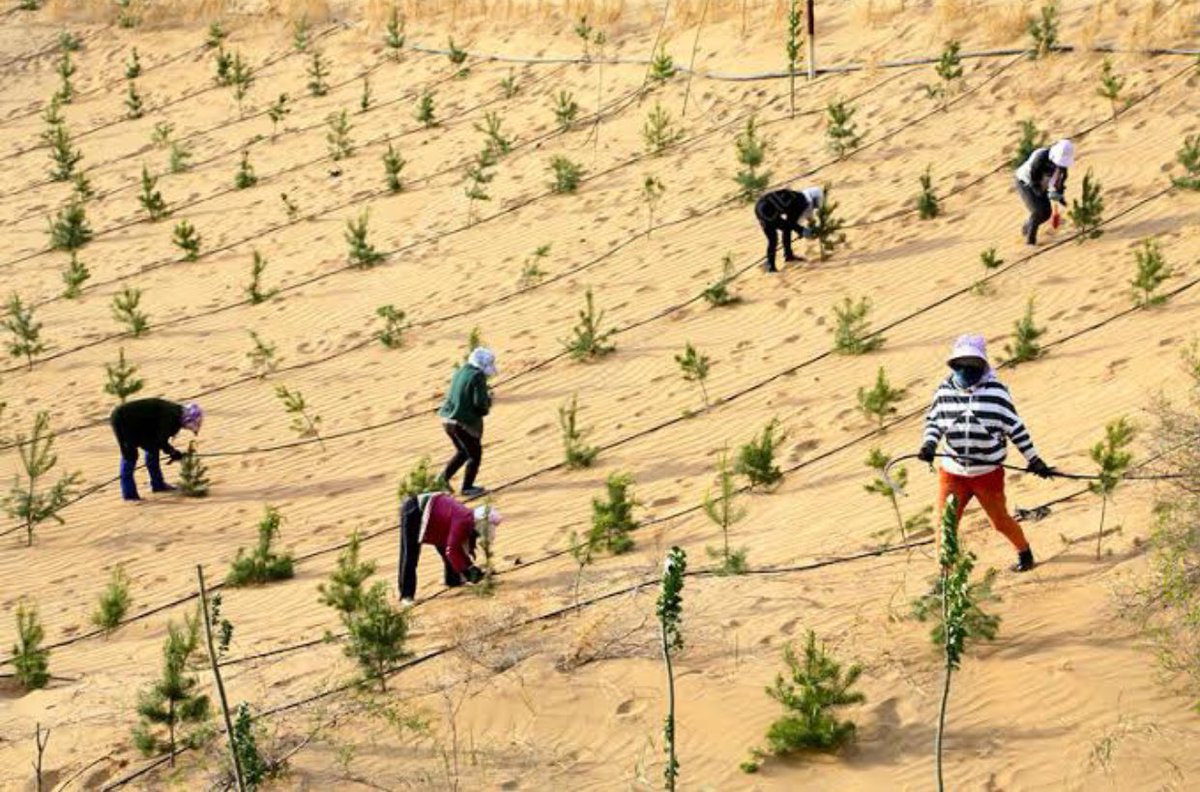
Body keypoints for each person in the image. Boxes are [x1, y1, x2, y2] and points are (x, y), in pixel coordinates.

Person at [917, 335, 1055, 572]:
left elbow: (1016, 428)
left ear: (982, 365)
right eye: (960, 364)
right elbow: (934, 422)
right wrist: (929, 445)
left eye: (972, 364)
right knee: (944, 525)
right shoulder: (943, 391)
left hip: (987, 473)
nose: (965, 369)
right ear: (953, 365)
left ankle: (1024, 553)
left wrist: (1034, 460)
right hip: (952, 472)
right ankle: (945, 577)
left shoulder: (997, 393)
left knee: (999, 521)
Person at [397, 491, 501, 605]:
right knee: (410, 554)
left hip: (435, 518)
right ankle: (406, 595)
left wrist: (470, 567)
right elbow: (452, 550)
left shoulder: (468, 518)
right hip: (415, 511)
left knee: (445, 544)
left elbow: (456, 547)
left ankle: (453, 579)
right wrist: (467, 571)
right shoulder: (463, 521)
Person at [110, 398, 203, 501]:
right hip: (123, 420)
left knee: (152, 448)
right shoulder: (172, 418)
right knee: (130, 455)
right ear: (188, 419)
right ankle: (129, 495)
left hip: (142, 423)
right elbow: (161, 440)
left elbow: (158, 439)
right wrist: (172, 452)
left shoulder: (175, 413)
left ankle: (158, 484)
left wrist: (171, 451)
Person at [438, 347, 496, 498]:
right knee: (475, 455)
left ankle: (442, 480)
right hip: (461, 423)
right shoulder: (477, 376)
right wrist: (488, 401)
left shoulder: (461, 370)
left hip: (447, 420)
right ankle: (467, 488)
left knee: (463, 452)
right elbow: (480, 405)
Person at [1015, 138, 1074, 246]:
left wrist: (1059, 195)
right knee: (1039, 211)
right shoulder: (1040, 157)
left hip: (1041, 185)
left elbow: (1060, 181)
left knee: (1046, 213)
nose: (1061, 166)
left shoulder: (1062, 168)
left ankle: (1027, 226)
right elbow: (1034, 181)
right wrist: (1043, 193)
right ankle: (1030, 242)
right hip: (1025, 183)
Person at [754, 186, 822, 273]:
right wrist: (802, 230)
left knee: (773, 238)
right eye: (816, 204)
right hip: (767, 210)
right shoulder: (801, 203)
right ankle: (786, 257)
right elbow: (790, 223)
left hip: (759, 207)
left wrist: (799, 230)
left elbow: (790, 223)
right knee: (784, 230)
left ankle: (772, 265)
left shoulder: (797, 196)